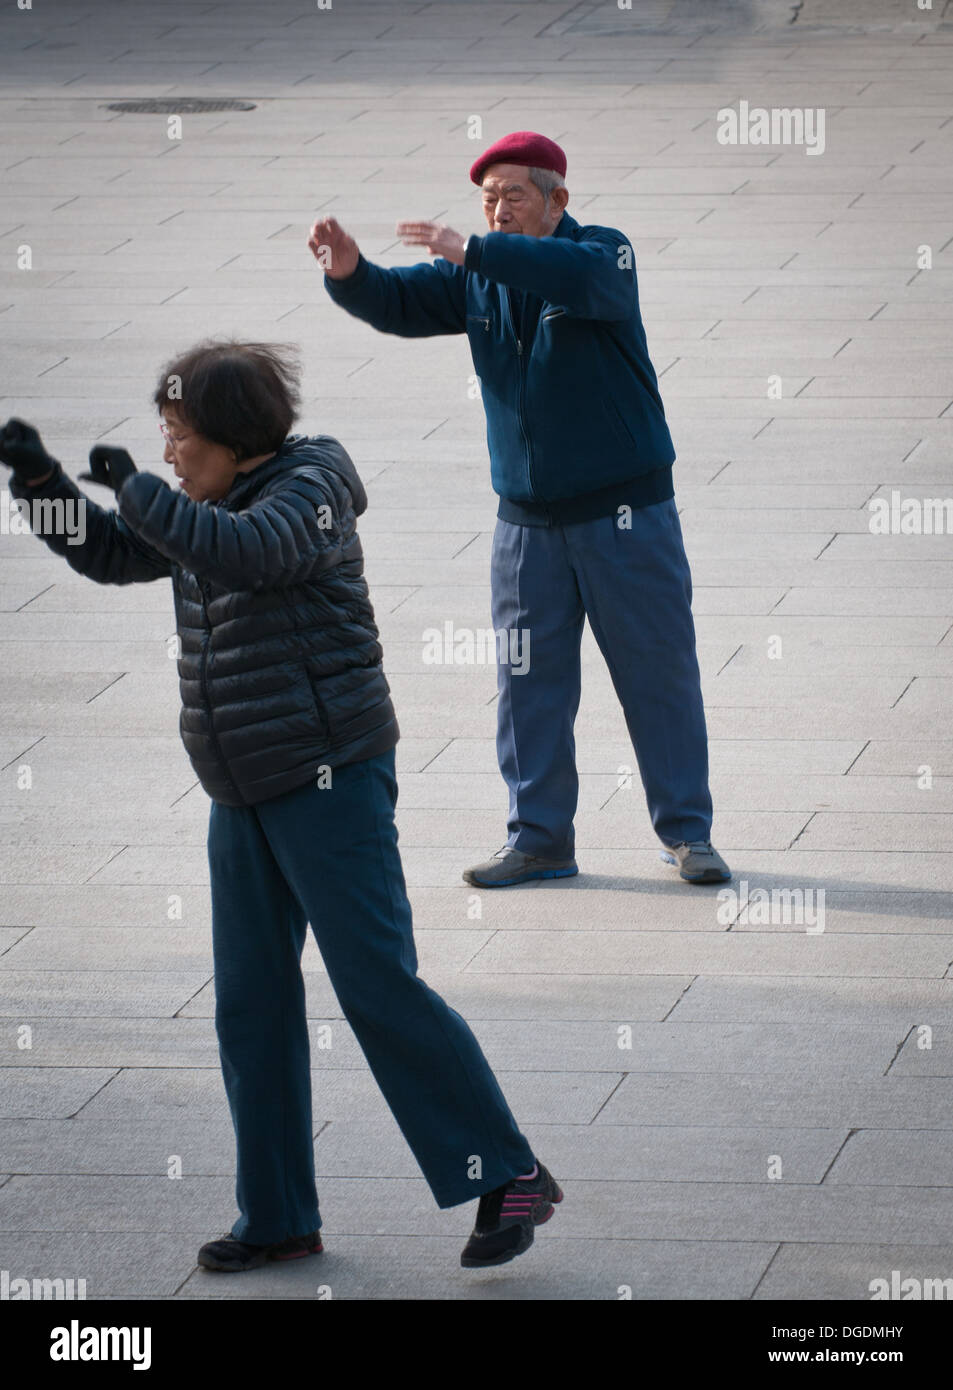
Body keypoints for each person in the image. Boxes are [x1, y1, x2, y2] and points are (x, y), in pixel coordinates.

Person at [0, 339, 563, 1272]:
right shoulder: (202, 505)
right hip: (242, 789)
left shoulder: (309, 490)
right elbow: (109, 552)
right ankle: (277, 1217)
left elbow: (249, 557)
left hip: (329, 776)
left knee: (376, 984)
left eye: (178, 434)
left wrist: (142, 491)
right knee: (250, 1006)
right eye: (164, 436)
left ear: (231, 437)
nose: (169, 451)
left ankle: (509, 1173)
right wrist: (37, 477)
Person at [310, 130, 732, 889]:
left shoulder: (604, 255)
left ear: (556, 200)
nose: (496, 211)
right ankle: (538, 840)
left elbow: (572, 274)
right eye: (487, 199)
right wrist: (350, 273)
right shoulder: (478, 274)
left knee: (656, 676)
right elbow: (401, 300)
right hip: (526, 526)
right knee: (526, 685)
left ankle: (688, 834)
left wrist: (473, 249)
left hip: (625, 519)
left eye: (512, 195)